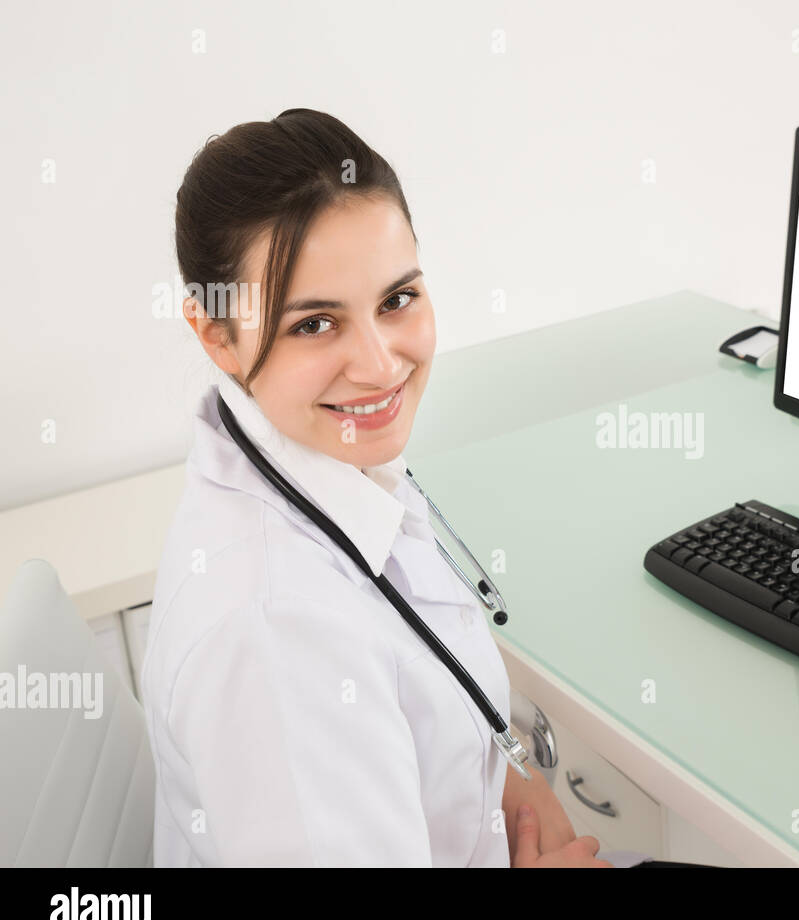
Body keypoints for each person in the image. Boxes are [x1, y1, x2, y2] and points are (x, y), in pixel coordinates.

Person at [141, 108, 610, 867]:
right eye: (314, 325)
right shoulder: (275, 634)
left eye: (397, 300)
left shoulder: (315, 455)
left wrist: (500, 777)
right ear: (215, 335)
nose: (381, 365)